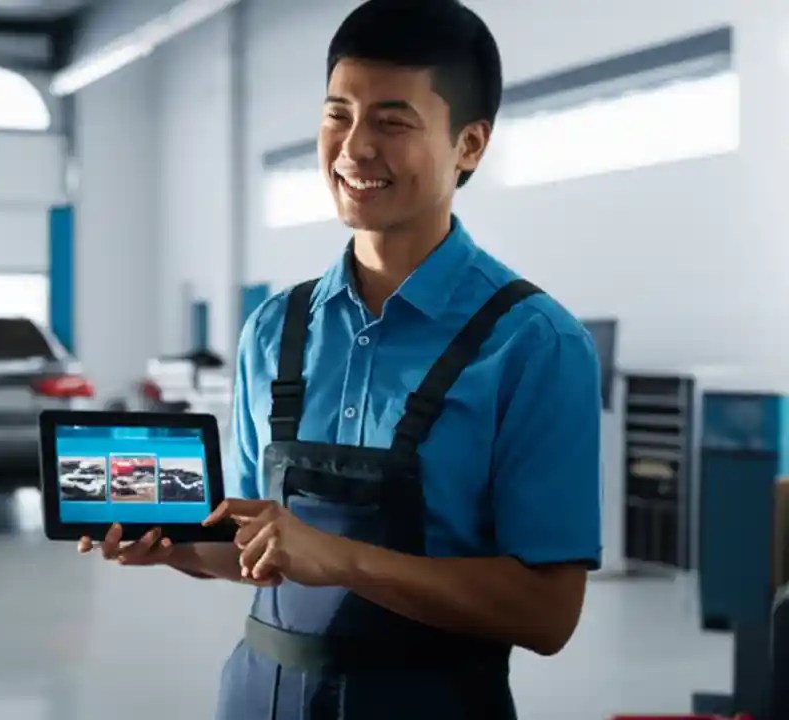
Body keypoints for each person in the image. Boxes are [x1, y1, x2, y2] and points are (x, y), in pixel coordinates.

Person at [80, 1, 602, 718]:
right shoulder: (274, 329)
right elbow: (254, 545)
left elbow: (548, 614)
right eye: (337, 115)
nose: (353, 149)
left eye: (392, 122)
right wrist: (174, 547)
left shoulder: (534, 346)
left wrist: (343, 557)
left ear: (469, 145)